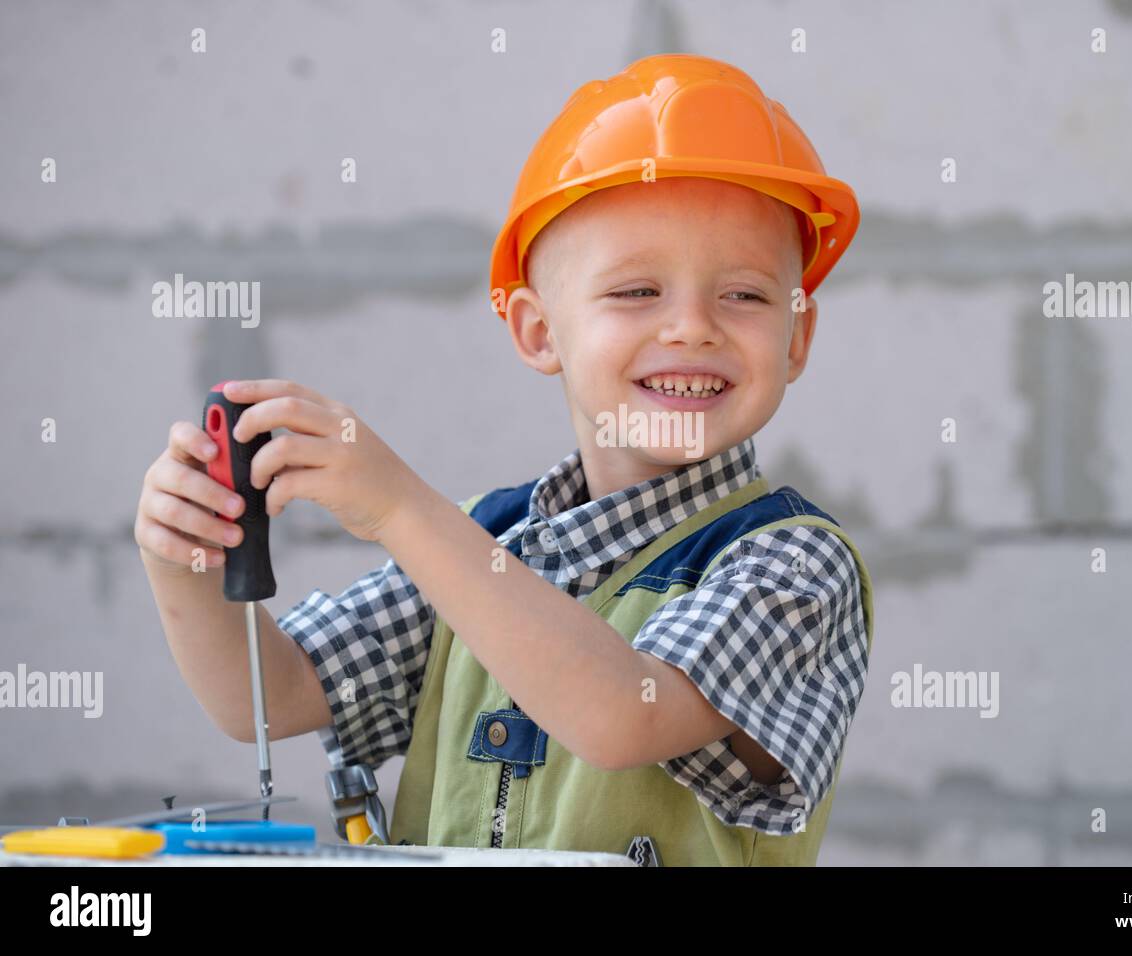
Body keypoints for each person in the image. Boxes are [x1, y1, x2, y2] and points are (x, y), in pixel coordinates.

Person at [136, 53, 873, 866]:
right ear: (536, 331)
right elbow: (267, 698)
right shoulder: (483, 541)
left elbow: (621, 713)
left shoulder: (791, 565)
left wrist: (400, 510)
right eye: (636, 292)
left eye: (745, 295)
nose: (692, 327)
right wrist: (189, 561)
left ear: (797, 336)